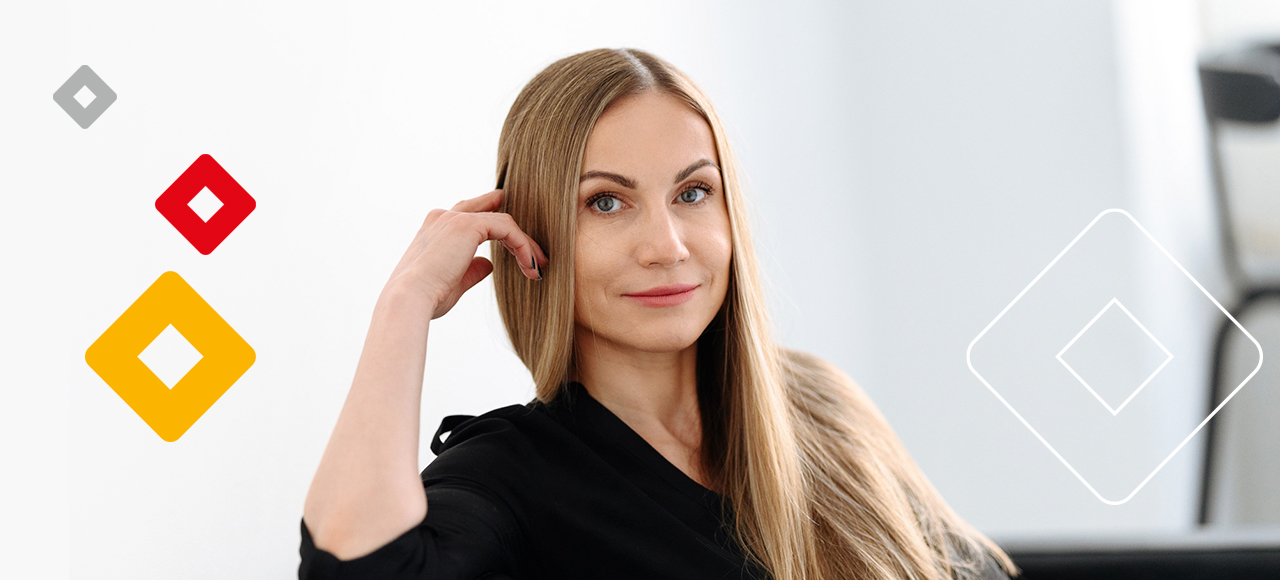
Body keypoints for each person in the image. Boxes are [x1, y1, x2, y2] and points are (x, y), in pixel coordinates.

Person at [298, 47, 1021, 580]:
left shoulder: (818, 405)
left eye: (693, 193)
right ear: (533, 233)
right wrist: (406, 303)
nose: (667, 246)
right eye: (606, 202)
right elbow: (358, 567)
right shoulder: (511, 476)